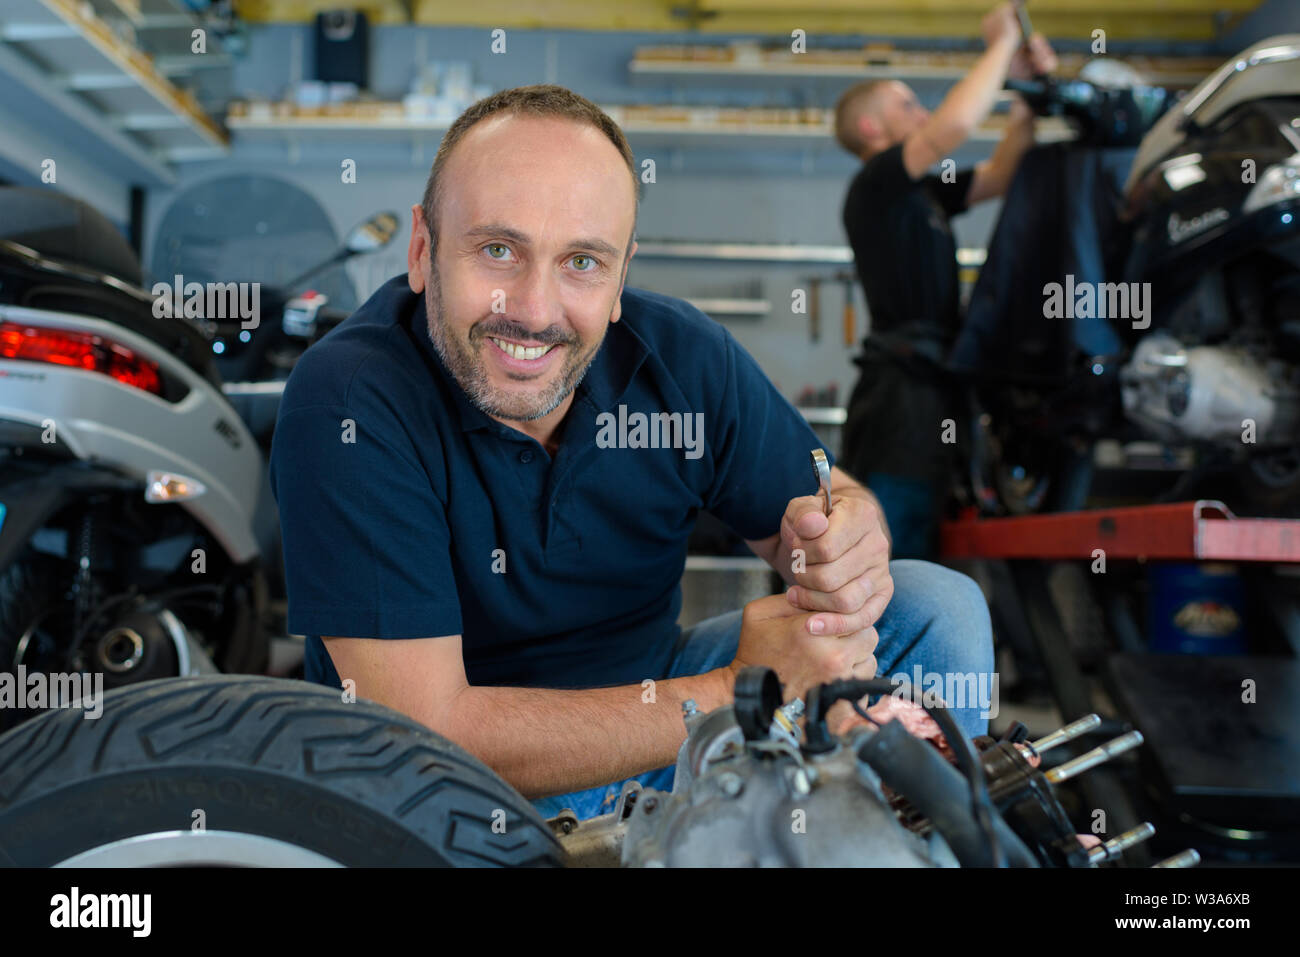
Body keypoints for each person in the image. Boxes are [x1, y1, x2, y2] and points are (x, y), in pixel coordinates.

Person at [270, 84, 994, 822]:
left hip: (660, 712)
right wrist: (740, 688)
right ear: (423, 250)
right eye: (498, 250)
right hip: (467, 785)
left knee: (936, 608)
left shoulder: (681, 356)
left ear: (620, 278)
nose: (534, 310)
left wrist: (848, 545)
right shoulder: (349, 398)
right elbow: (420, 734)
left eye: (582, 261)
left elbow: (822, 508)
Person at [834, 1, 1057, 557]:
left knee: (924, 531)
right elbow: (953, 126)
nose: (922, 112)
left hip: (935, 385)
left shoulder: (924, 193)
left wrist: (1024, 92)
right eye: (906, 104)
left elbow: (1003, 172)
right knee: (891, 538)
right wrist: (1001, 44)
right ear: (870, 127)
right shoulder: (877, 184)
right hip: (901, 397)